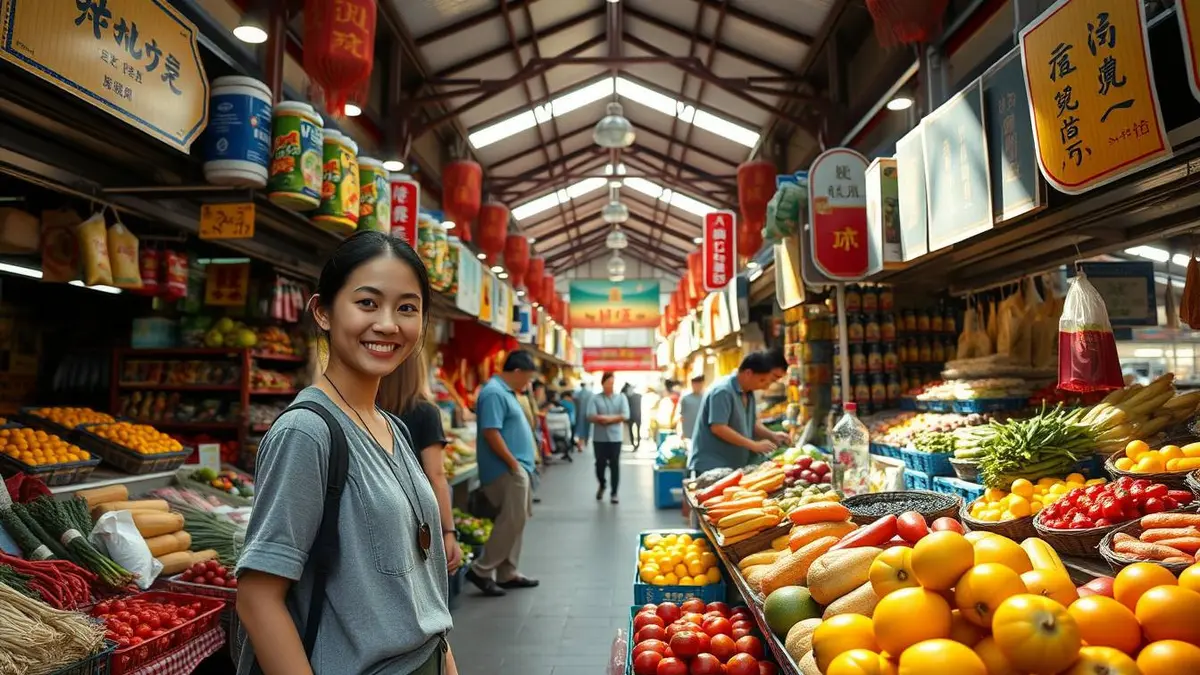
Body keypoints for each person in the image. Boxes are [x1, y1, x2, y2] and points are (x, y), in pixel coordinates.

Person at [236, 231, 456, 675]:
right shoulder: (307, 432)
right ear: (322, 312)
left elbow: (422, 592)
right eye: (368, 303)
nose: (389, 324)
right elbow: (258, 599)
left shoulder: (391, 424)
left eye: (407, 308)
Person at [378, 350, 464, 576]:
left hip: (377, 511)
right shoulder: (425, 412)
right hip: (415, 518)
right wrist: (448, 532)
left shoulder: (368, 409)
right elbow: (436, 476)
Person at [466, 350, 541, 596]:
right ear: (517, 372)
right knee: (510, 520)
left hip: (517, 468)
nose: (528, 383)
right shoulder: (494, 393)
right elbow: (491, 432)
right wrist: (513, 464)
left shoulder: (506, 393)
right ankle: (482, 570)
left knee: (516, 520)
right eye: (527, 377)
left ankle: (507, 572)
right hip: (506, 470)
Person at [687, 350, 791, 475]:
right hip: (712, 465)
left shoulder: (748, 392)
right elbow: (718, 427)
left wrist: (772, 435)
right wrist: (754, 445)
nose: (766, 386)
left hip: (733, 465)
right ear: (748, 373)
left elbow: (751, 422)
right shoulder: (723, 391)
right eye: (763, 380)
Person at [587, 372, 630, 503]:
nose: (610, 386)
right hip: (599, 438)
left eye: (612, 383)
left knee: (615, 465)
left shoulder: (621, 398)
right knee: (599, 464)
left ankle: (614, 492)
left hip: (616, 438)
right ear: (603, 383)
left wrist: (606, 419)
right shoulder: (595, 398)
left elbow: (625, 415)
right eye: (608, 383)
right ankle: (602, 483)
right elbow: (590, 415)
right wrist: (614, 418)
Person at [679, 374, 706, 441]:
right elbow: (681, 417)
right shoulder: (685, 399)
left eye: (699, 384)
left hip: (703, 434)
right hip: (689, 434)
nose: (697, 386)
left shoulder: (706, 398)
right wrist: (681, 432)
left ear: (703, 384)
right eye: (695, 384)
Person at [574, 381, 594, 451]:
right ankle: (586, 441)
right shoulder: (590, 393)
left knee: (581, 429)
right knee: (587, 428)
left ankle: (581, 443)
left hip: (580, 414)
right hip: (588, 414)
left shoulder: (577, 393)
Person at [623, 383, 643, 451]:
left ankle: (634, 444)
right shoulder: (639, 396)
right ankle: (637, 444)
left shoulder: (627, 397)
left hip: (631, 416)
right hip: (637, 415)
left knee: (631, 431)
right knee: (637, 431)